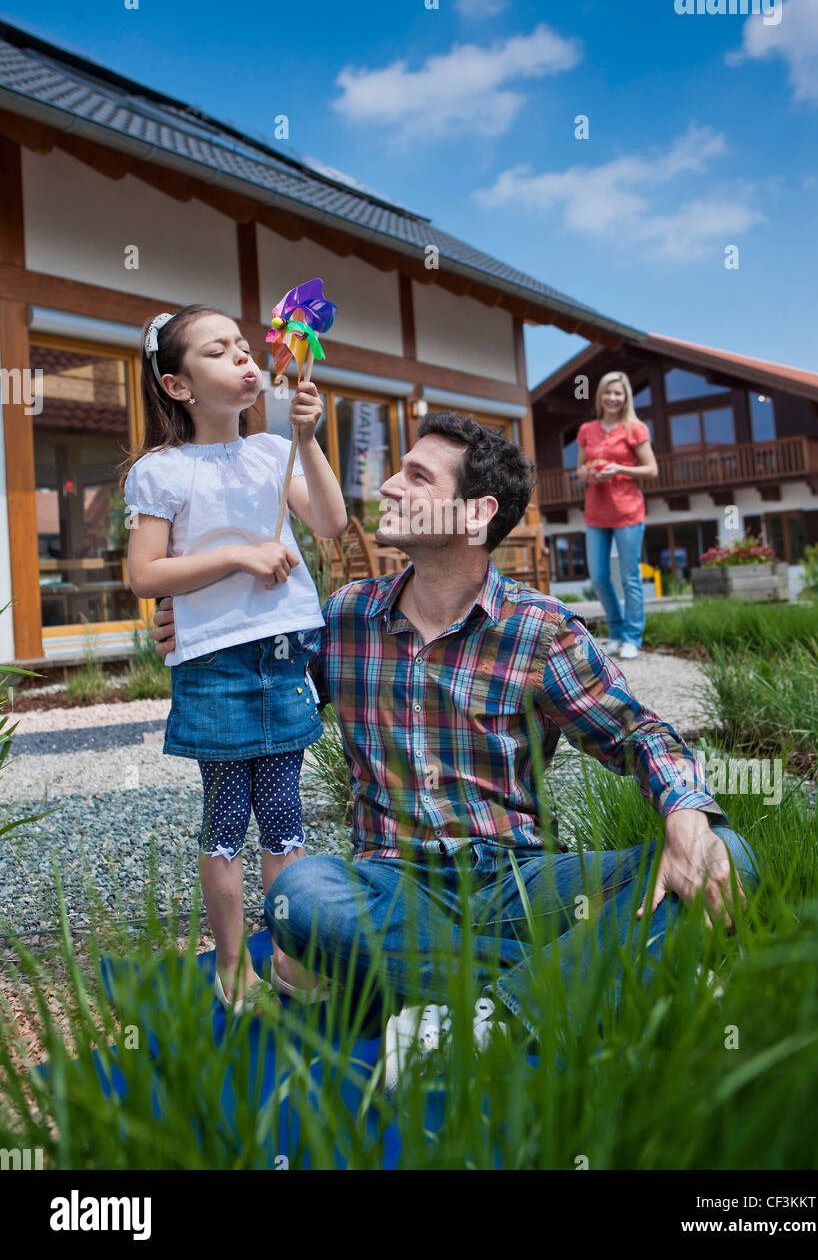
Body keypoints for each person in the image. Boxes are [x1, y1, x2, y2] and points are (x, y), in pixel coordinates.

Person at [151, 413, 758, 1062]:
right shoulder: (347, 615)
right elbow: (269, 696)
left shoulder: (539, 630)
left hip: (517, 882)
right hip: (388, 884)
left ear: (476, 515)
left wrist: (687, 812)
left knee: (726, 854)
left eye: (416, 476)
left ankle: (471, 1012)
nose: (387, 486)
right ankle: (577, 980)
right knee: (298, 900)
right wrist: (203, 635)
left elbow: (639, 734)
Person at [123, 304, 346, 1011]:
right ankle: (229, 963)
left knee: (284, 821)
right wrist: (237, 557)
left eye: (247, 347)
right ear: (178, 385)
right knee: (223, 825)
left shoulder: (272, 452)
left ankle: (287, 956)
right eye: (220, 352)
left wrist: (307, 440)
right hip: (214, 665)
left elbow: (332, 524)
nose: (246, 359)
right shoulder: (160, 471)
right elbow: (146, 576)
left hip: (283, 658)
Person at [576, 371, 658, 659]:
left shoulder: (635, 429)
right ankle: (616, 630)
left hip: (628, 510)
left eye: (618, 393)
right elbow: (581, 470)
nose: (612, 398)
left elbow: (651, 469)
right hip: (596, 511)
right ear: (600, 396)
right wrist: (588, 474)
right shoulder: (587, 429)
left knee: (629, 577)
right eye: (608, 392)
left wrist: (620, 469)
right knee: (598, 577)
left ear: (625, 398)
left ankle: (633, 637)